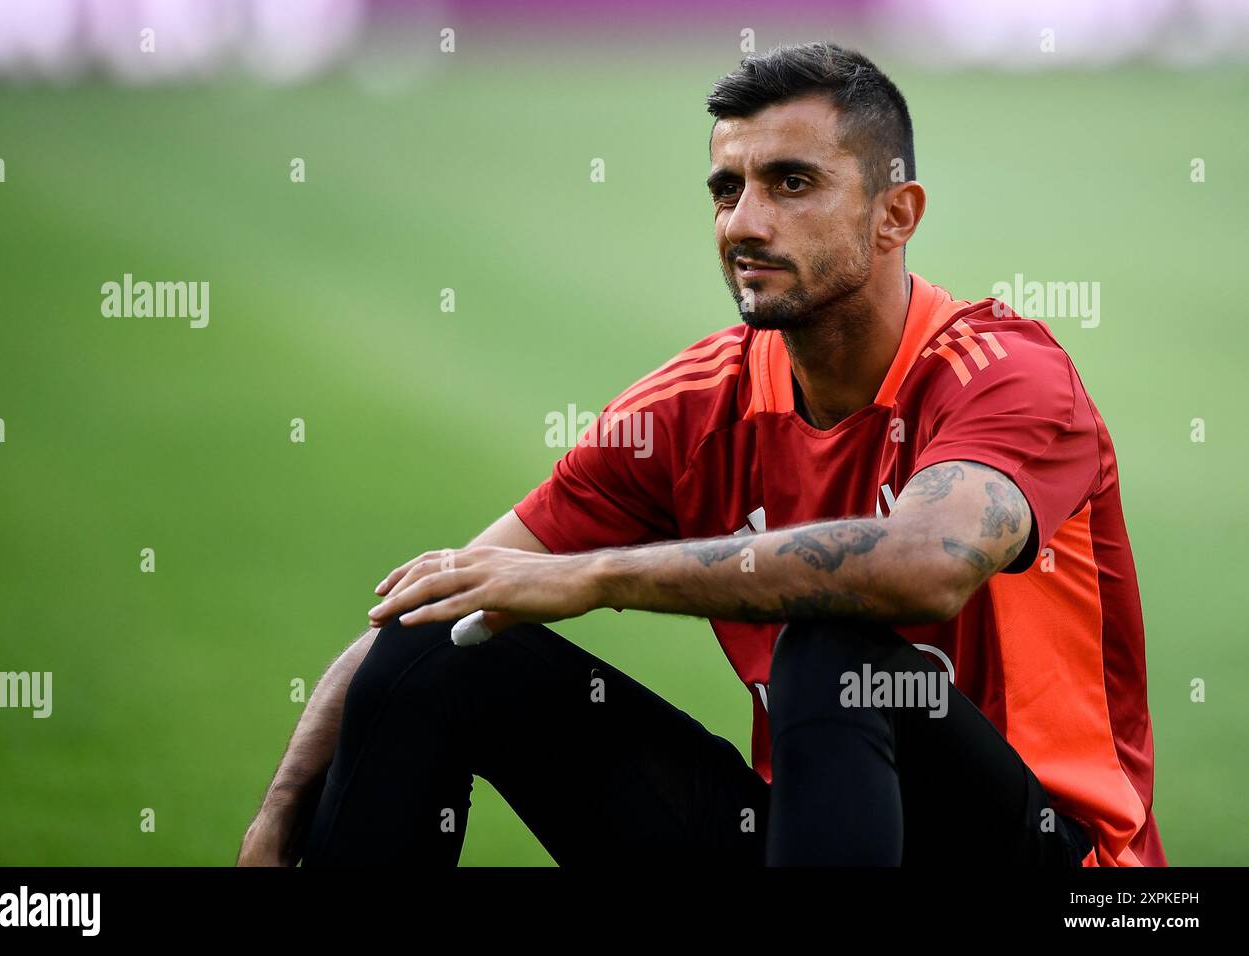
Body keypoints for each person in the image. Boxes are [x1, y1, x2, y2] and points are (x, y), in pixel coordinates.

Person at [238, 41, 1163, 867]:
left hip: (1047, 856)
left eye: (791, 184)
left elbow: (927, 567)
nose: (743, 225)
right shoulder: (696, 405)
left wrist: (594, 577)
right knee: (436, 646)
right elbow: (451, 592)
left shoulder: (1006, 374)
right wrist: (281, 810)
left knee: (833, 650)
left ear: (896, 215)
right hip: (818, 834)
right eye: (728, 190)